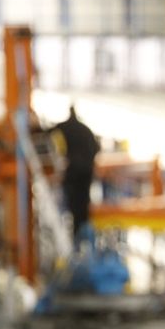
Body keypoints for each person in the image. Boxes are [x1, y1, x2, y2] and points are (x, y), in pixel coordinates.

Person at [53, 104, 99, 244]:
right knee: (83, 205)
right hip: (86, 172)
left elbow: (47, 134)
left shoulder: (63, 127)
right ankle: (82, 237)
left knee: (72, 205)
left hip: (72, 172)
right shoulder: (85, 129)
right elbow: (97, 147)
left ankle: (76, 239)